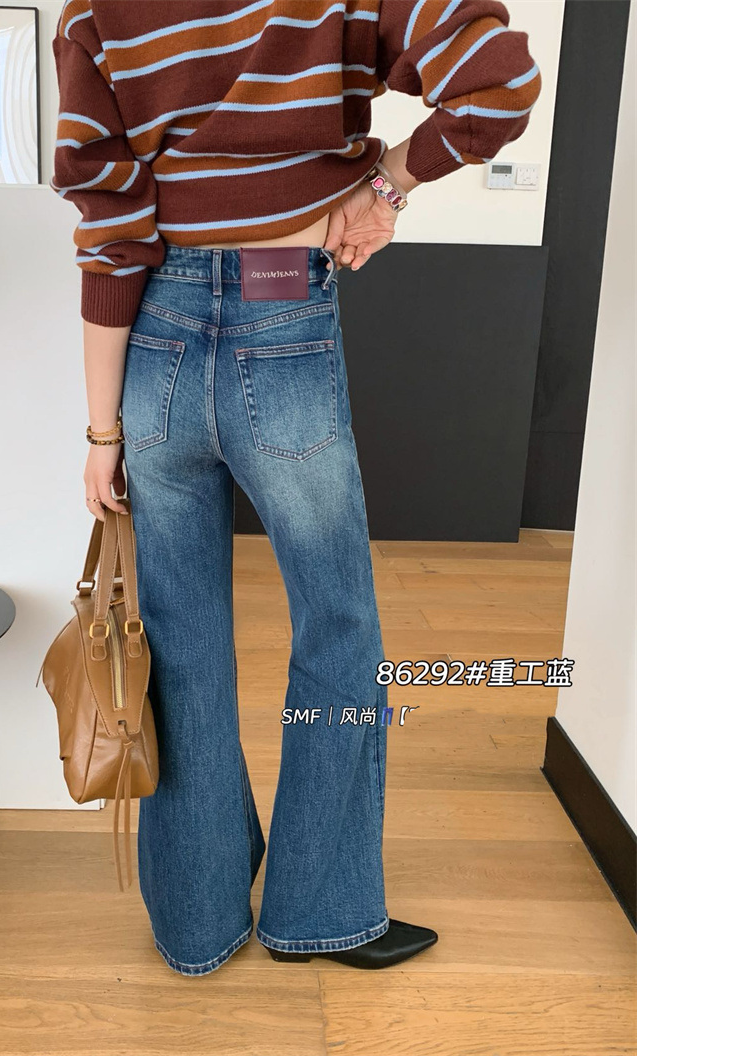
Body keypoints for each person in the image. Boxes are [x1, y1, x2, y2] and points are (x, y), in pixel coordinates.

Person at [51, 0, 541, 977]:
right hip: (283, 313)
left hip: (156, 342)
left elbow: (110, 229)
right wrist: (387, 183)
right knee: (337, 628)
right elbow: (499, 82)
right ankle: (322, 910)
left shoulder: (95, 13)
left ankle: (195, 921)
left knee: (177, 639)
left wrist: (103, 431)